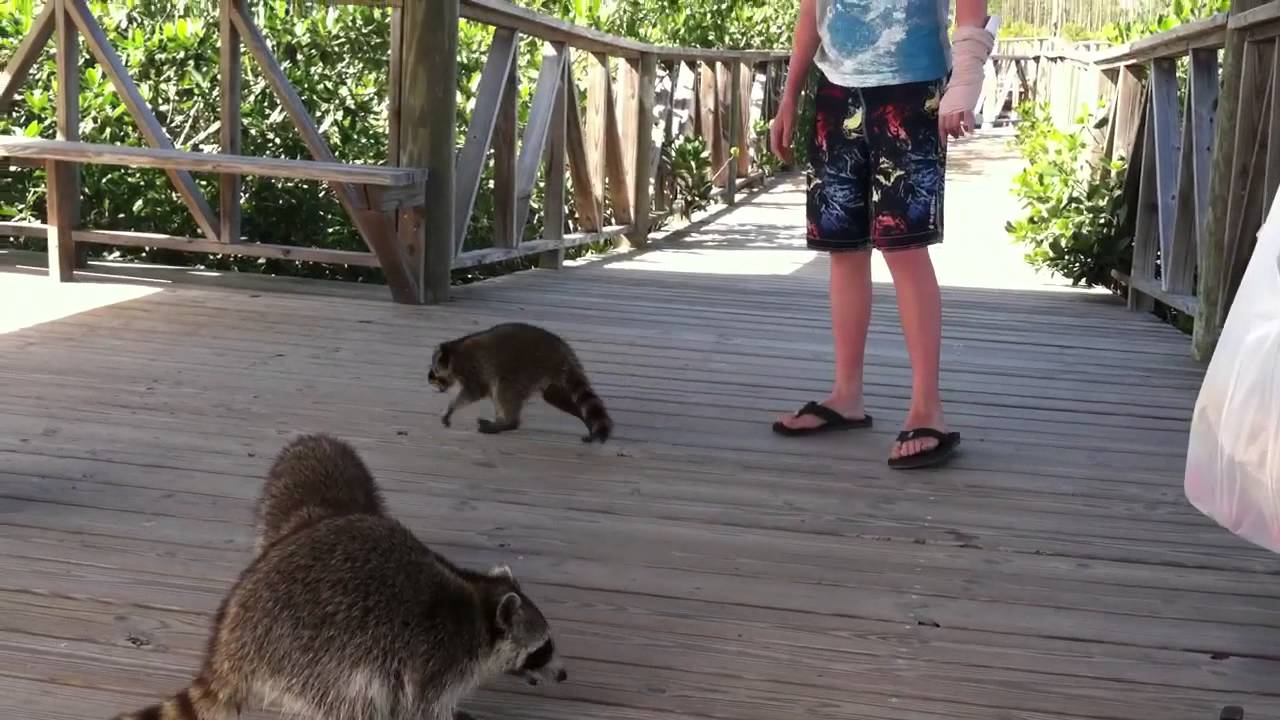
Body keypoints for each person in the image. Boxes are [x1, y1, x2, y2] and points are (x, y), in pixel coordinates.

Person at [769, 0, 994, 469]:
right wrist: (790, 93)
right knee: (842, 248)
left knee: (904, 248)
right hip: (835, 90)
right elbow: (812, 7)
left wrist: (965, 81)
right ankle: (846, 395)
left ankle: (927, 409)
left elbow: (972, 12)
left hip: (912, 88)